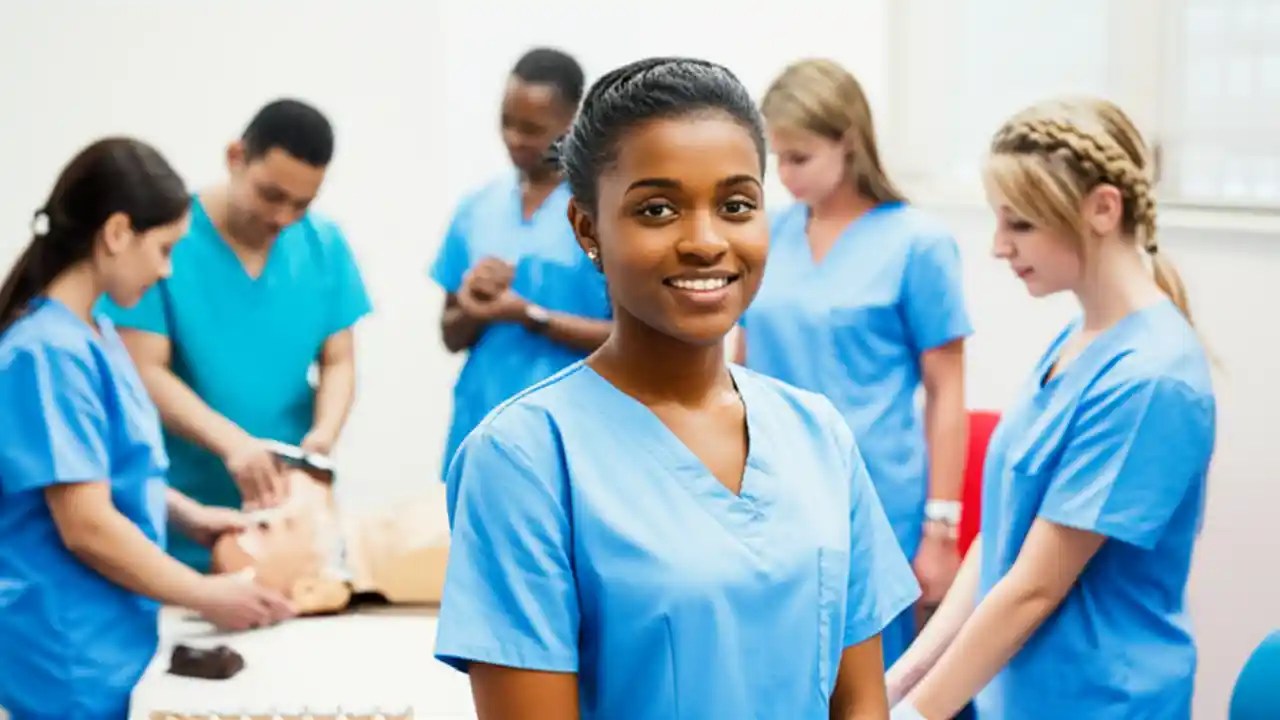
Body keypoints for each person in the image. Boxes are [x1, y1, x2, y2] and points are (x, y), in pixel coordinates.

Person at [433, 56, 921, 720]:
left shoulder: (818, 437)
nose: (705, 241)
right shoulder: (526, 459)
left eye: (736, 204)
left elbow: (862, 699)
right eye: (657, 209)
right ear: (588, 229)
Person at [886, 97, 1216, 720]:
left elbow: (1033, 589)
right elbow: (1002, 539)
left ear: (1102, 208)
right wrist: (902, 682)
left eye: (1021, 224)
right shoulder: (1079, 340)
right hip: (1021, 694)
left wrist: (917, 714)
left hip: (1102, 701)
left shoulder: (1153, 379)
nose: (998, 247)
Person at [0, 138, 295, 720]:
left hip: (106, 642)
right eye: (163, 250)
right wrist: (206, 593)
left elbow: (97, 471)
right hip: (62, 650)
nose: (166, 271)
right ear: (116, 233)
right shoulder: (47, 353)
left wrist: (186, 514)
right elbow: (85, 523)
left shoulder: (97, 336)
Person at [738, 58, 972, 665]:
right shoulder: (766, 236)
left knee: (873, 679)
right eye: (777, 157)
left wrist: (940, 532)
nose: (784, 175)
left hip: (877, 500)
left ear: (848, 141)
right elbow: (741, 364)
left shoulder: (917, 243)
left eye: (800, 157)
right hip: (772, 495)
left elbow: (948, 393)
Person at [100, 99, 373, 571]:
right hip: (186, 514)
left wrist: (321, 440)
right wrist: (234, 445)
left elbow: (339, 360)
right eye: (271, 195)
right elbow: (143, 369)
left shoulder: (323, 244)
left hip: (287, 510)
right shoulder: (171, 240)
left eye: (302, 204)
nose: (284, 217)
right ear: (235, 158)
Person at [429, 47, 612, 476]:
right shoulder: (478, 208)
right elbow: (451, 335)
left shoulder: (603, 210)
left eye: (531, 129)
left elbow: (636, 340)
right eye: (506, 123)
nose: (514, 138)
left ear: (572, 123)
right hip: (482, 426)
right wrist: (473, 303)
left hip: (576, 436)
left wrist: (531, 315)